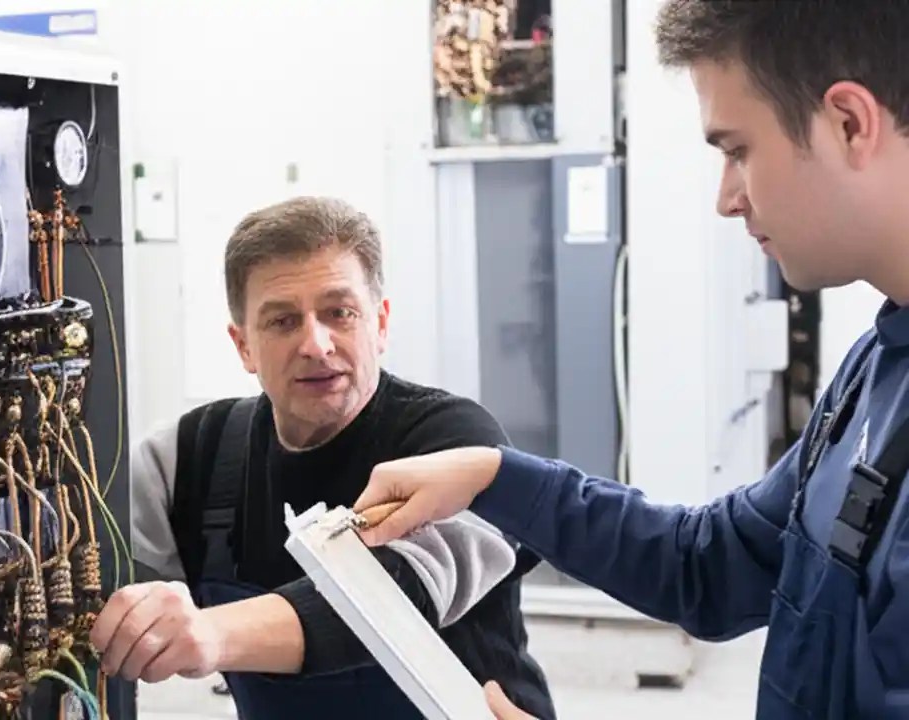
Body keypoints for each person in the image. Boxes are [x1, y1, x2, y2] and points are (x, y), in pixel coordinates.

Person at [352, 2, 909, 718]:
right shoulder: (875, 370)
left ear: (849, 124)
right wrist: (494, 475)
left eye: (737, 150)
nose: (725, 199)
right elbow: (711, 562)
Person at [89, 196, 556, 719]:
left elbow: (401, 596)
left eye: (340, 313)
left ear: (379, 324)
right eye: (282, 321)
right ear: (242, 345)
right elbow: (93, 593)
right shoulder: (186, 459)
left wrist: (213, 632)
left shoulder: (459, 446)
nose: (316, 343)